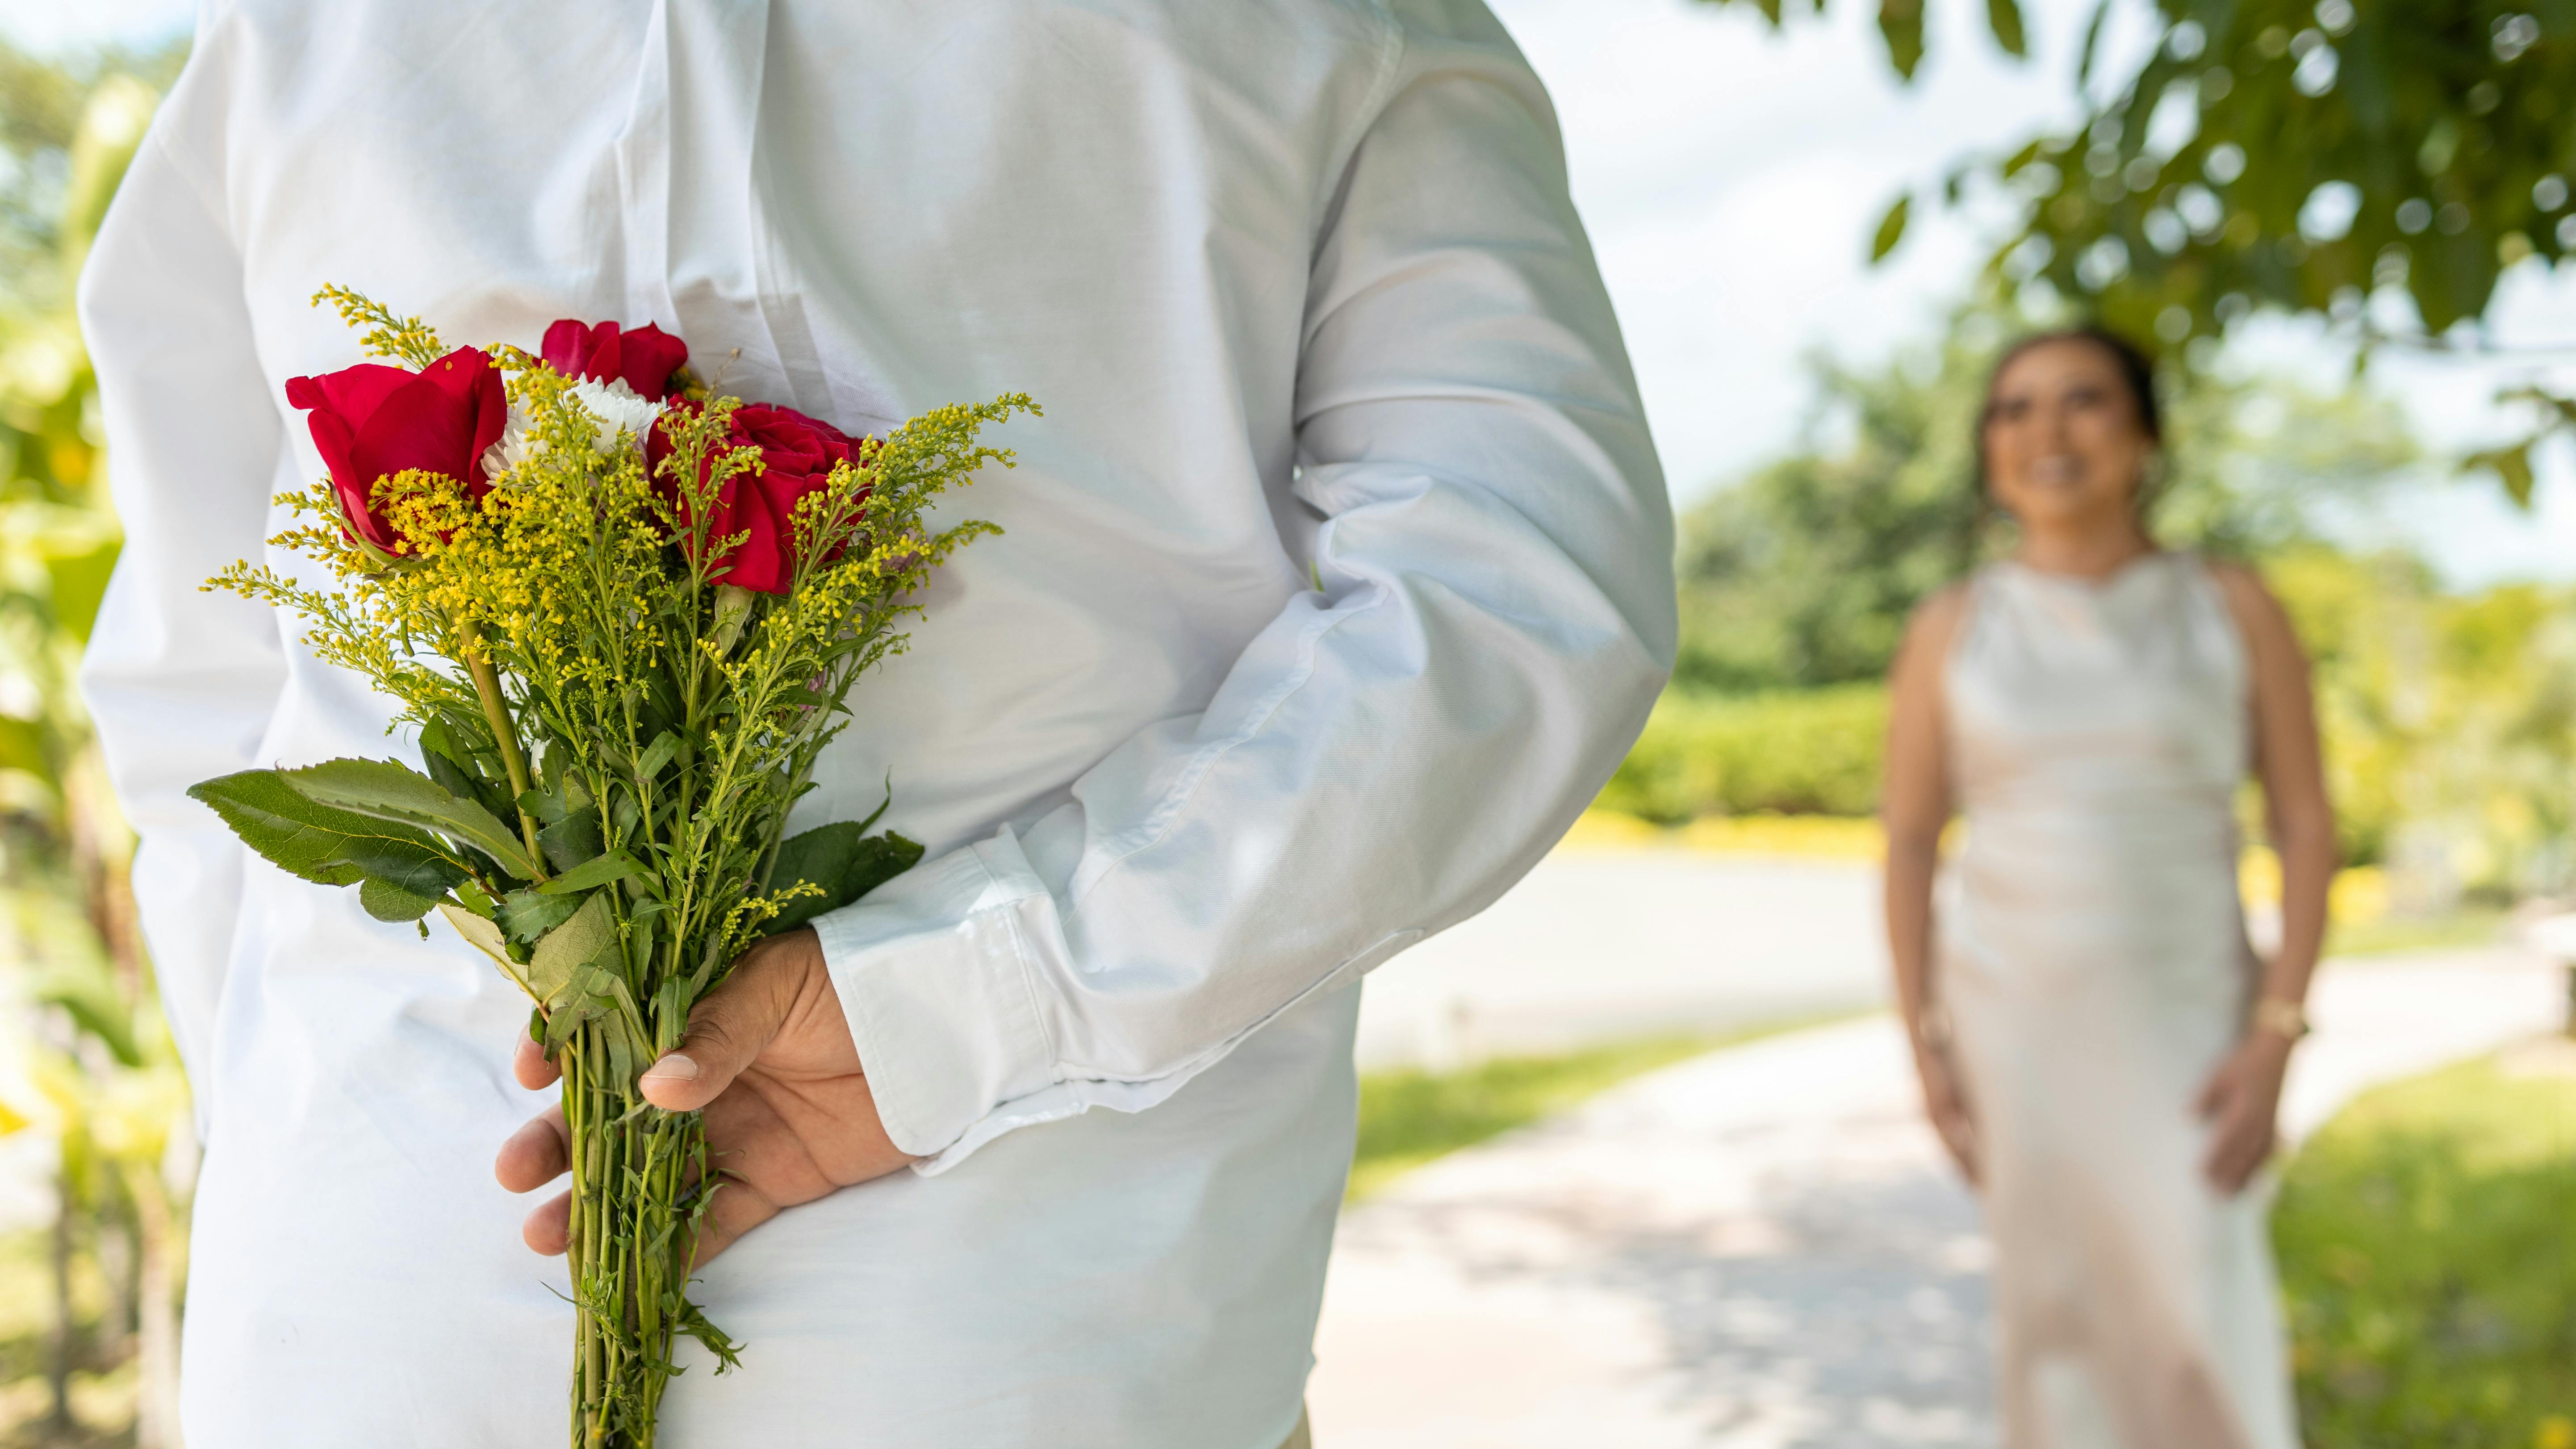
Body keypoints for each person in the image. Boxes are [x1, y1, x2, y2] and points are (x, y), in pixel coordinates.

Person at [76, 4, 1675, 1445]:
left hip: (427, 1295)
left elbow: (197, 685)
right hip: (1023, 1315)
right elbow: (1512, 597)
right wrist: (971, 996)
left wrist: (303, 1149)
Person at [1879, 327, 2334, 1448]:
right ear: (1988, 447)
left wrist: (2277, 1032)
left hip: (2190, 1013)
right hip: (2018, 1022)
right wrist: (1925, 1044)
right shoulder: (1952, 628)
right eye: (2012, 408)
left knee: (2199, 1298)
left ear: (2144, 435)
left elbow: (2306, 822)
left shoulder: (2229, 604)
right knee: (2060, 1319)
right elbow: (1906, 842)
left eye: (2082, 401)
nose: (2045, 431)